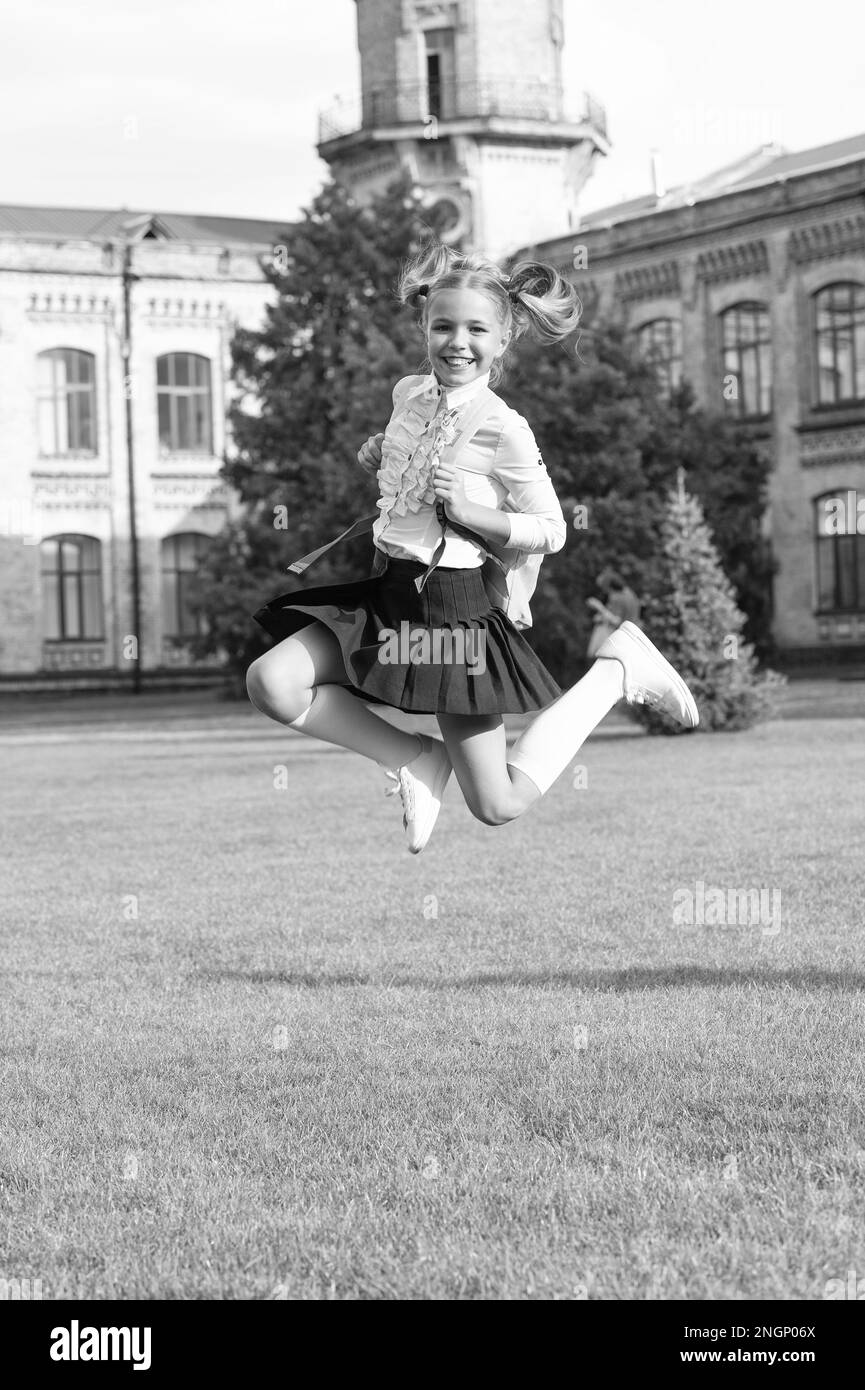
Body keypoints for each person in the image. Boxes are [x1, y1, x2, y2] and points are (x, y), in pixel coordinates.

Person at [246, 243, 698, 853]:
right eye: (443, 326)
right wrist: (382, 453)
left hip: (450, 618)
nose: (458, 341)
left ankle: (616, 672)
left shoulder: (504, 426)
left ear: (504, 339)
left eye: (476, 329)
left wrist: (472, 513)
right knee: (272, 682)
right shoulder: (411, 393)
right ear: (424, 328)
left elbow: (552, 528)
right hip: (389, 597)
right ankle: (414, 760)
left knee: (497, 803)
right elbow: (409, 479)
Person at [586, 568, 642, 658]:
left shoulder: (617, 597)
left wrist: (599, 607)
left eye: (603, 588)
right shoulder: (629, 592)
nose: (604, 591)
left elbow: (616, 621)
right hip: (632, 635)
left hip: (621, 636)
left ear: (608, 586)